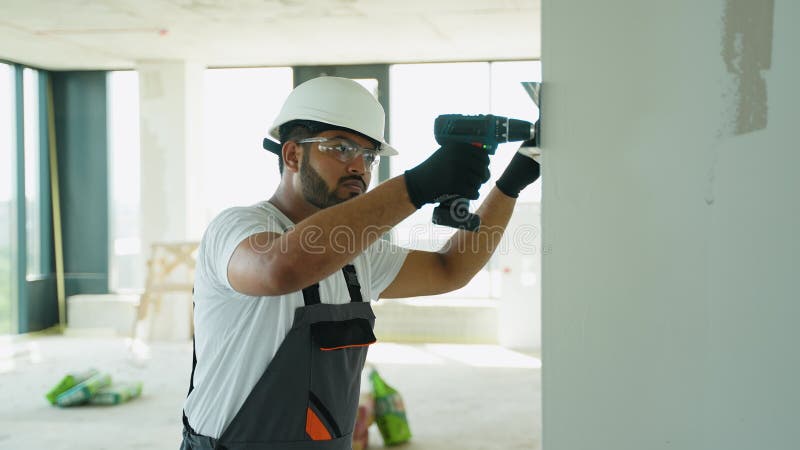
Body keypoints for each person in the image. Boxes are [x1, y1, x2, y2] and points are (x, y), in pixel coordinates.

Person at [180, 76, 540, 450]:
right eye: (340, 148)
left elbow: (450, 269)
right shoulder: (238, 227)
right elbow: (278, 268)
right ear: (292, 155)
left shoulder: (355, 253)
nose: (360, 167)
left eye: (368, 156)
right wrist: (416, 186)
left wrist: (512, 183)